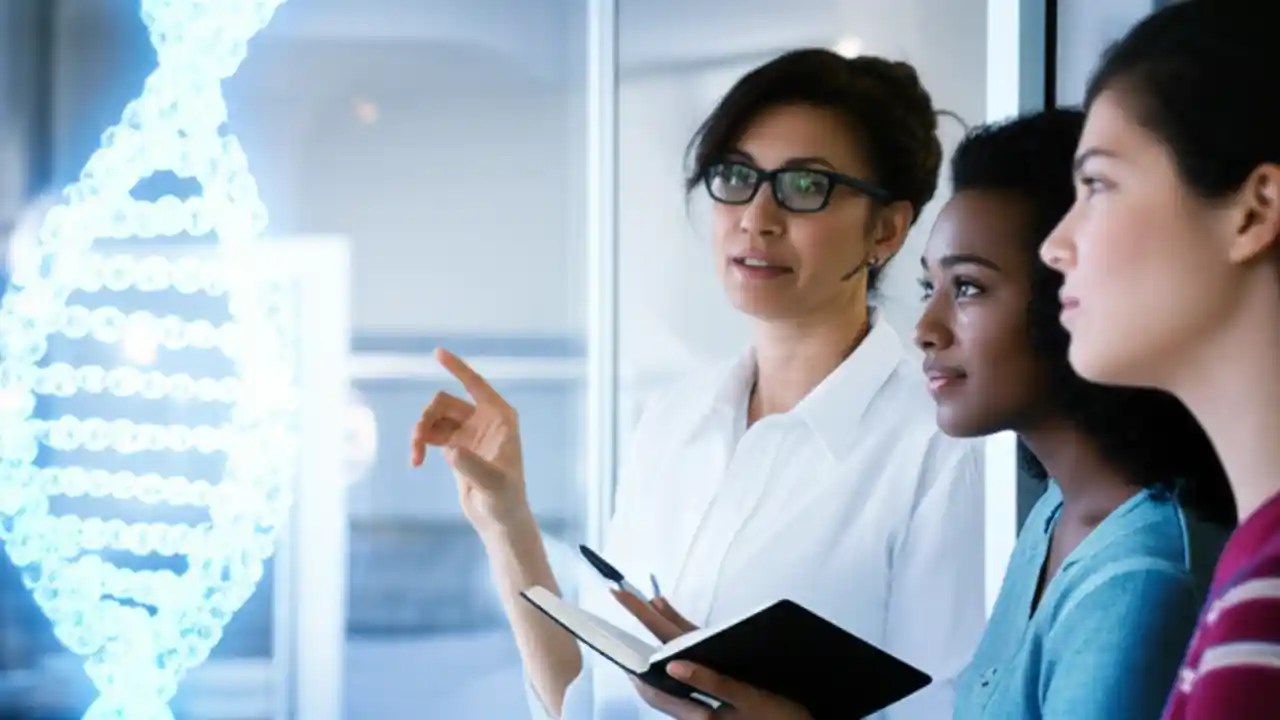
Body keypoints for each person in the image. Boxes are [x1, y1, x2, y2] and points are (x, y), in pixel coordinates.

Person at [409, 48, 986, 719]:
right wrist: (507, 520)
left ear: (885, 229)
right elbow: (585, 700)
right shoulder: (672, 421)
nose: (757, 217)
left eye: (806, 187)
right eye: (736, 177)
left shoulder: (941, 443)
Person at [916, 108, 1233, 719]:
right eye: (930, 287)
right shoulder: (1057, 516)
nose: (926, 330)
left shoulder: (1140, 580)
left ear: (1077, 294)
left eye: (970, 287)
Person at [1037, 2, 1280, 718]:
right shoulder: (1251, 565)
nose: (1056, 244)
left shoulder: (1267, 603)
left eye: (1099, 185)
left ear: (1253, 210)